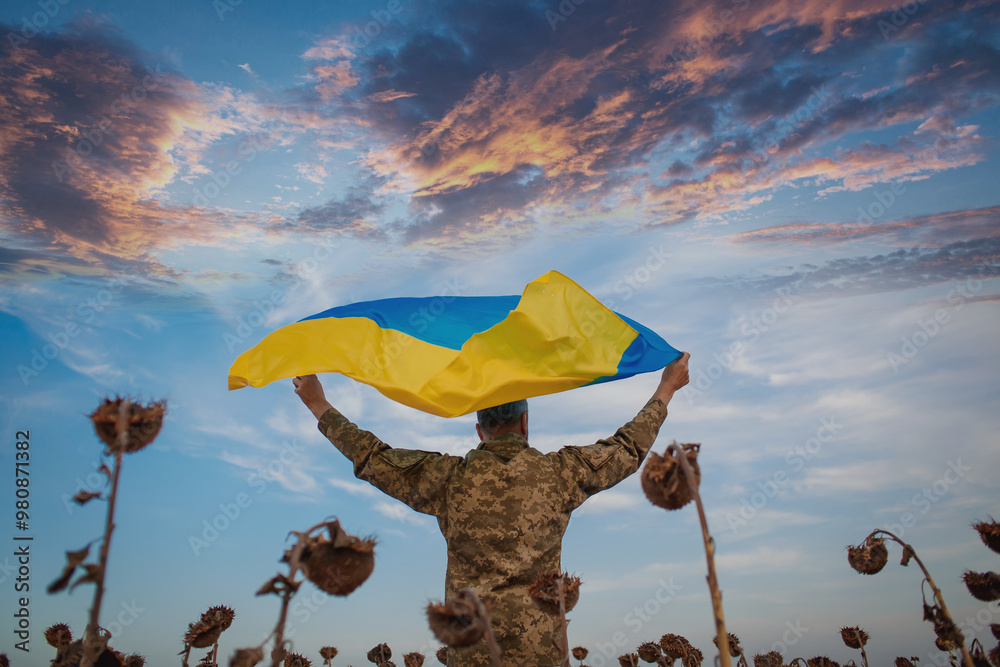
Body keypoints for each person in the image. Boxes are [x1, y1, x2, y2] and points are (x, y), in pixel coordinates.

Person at [293, 351, 690, 666]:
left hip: (470, 651)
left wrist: (318, 403)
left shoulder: (447, 480)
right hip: (543, 654)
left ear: (479, 430)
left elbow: (372, 457)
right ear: (525, 423)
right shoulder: (560, 475)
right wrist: (666, 389)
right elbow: (627, 448)